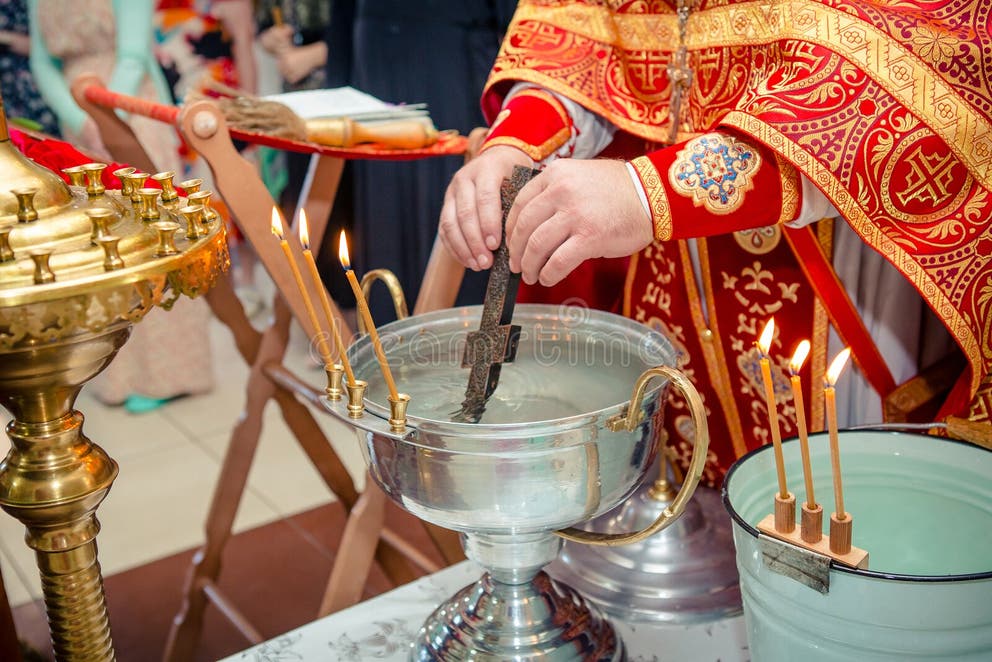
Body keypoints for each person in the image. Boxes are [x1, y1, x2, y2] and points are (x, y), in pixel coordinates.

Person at [439, 0, 992, 484]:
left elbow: (911, 86)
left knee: (834, 510)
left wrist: (648, 191)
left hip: (832, 259)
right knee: (672, 461)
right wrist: (514, 144)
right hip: (658, 264)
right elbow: (581, 48)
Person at [29, 0, 214, 412]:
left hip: (130, 110)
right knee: (102, 245)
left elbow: (132, 53)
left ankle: (174, 372)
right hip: (77, 122)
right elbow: (42, 63)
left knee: (153, 235)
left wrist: (104, 113)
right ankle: (115, 372)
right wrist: (77, 119)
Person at [322, 0, 519, 322]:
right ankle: (389, 343)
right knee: (385, 211)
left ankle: (459, 346)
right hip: (374, 61)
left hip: (452, 60)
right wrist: (336, 91)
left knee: (458, 205)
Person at [0, 0, 58, 135]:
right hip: (7, 86)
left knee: (40, 138)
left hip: (31, 81)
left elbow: (47, 47)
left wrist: (7, 39)